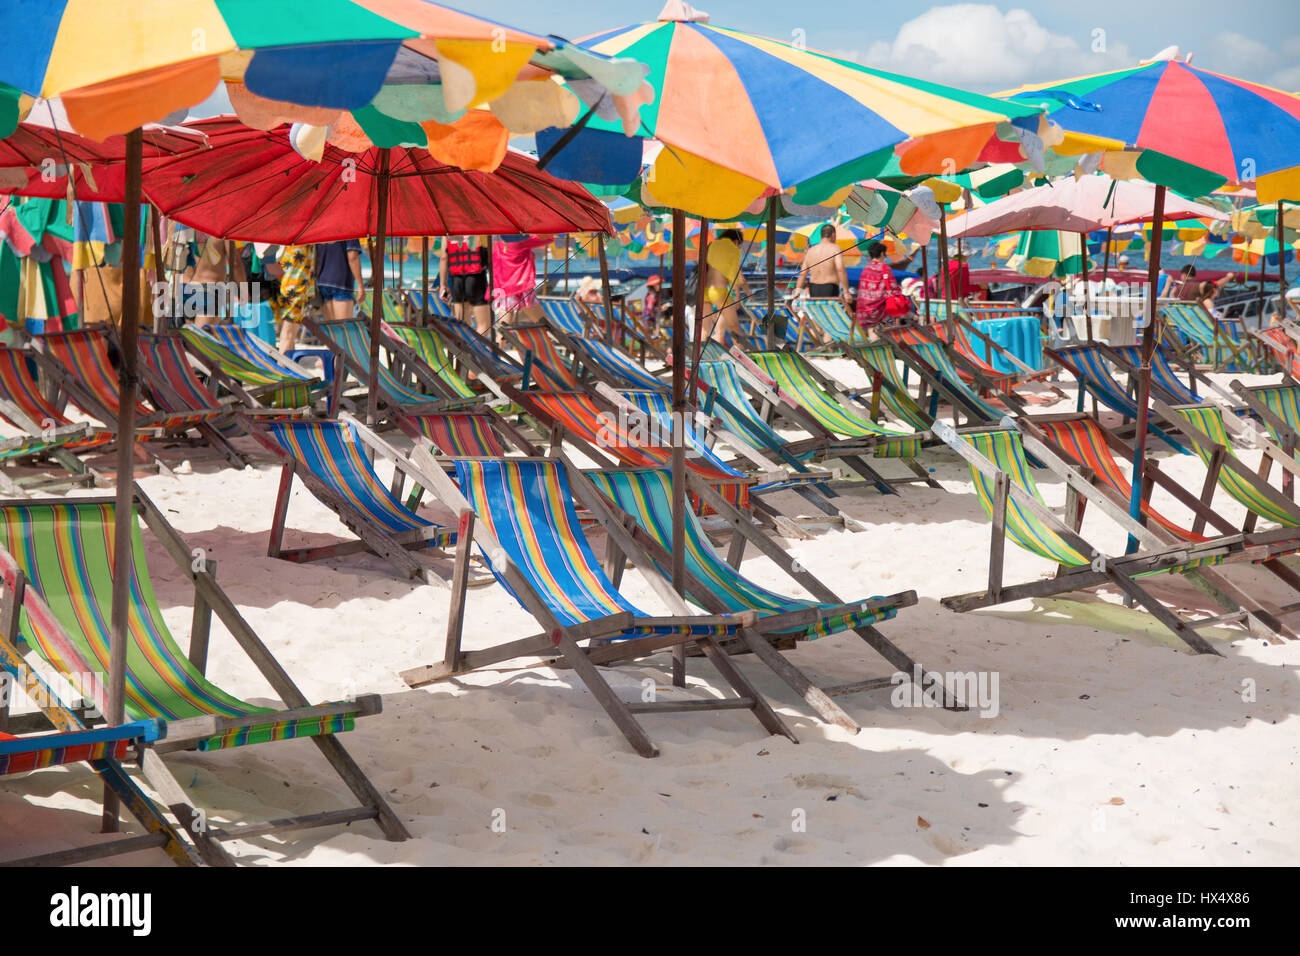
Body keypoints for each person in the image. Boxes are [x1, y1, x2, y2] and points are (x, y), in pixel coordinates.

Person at [183, 233, 246, 326]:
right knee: (203, 338)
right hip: (208, 289)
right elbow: (236, 263)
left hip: (185, 288)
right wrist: (245, 291)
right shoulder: (221, 230)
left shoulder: (188, 227)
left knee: (190, 338)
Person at [702, 228, 750, 344]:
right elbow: (735, 276)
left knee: (704, 330)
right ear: (736, 241)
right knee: (734, 326)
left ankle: (701, 358)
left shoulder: (712, 245)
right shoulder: (733, 249)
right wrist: (739, 296)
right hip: (719, 291)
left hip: (705, 290)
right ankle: (740, 355)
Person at [491, 234, 551, 325]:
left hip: (504, 289)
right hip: (521, 288)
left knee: (503, 329)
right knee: (545, 324)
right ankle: (557, 338)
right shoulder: (520, 241)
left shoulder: (497, 244)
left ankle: (499, 339)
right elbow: (547, 238)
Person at [439, 235, 492, 335]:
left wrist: (443, 284)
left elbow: (444, 258)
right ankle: (476, 349)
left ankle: (465, 350)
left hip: (457, 280)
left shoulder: (448, 231)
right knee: (484, 325)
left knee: (462, 325)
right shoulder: (477, 229)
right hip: (475, 277)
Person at [793, 224, 850, 306]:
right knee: (829, 314)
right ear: (833, 235)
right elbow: (840, 269)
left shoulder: (811, 250)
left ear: (821, 236)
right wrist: (846, 292)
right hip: (830, 287)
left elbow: (803, 273)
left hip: (814, 288)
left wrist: (798, 290)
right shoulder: (835, 248)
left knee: (819, 312)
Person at [274, 244, 315, 352]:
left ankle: (286, 366)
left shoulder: (289, 236)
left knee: (288, 335)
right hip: (295, 288)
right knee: (288, 335)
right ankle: (281, 367)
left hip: (285, 286)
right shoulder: (304, 234)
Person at [856, 241, 906, 328]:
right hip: (879, 312)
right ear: (882, 253)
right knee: (899, 308)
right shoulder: (884, 268)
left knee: (872, 330)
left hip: (863, 311)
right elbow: (894, 289)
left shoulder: (866, 269)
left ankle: (873, 339)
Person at [314, 239, 363, 319]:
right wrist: (360, 285)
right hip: (341, 281)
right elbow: (352, 256)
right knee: (344, 328)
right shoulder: (351, 227)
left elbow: (316, 255)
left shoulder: (319, 227)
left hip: (322, 281)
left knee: (331, 329)